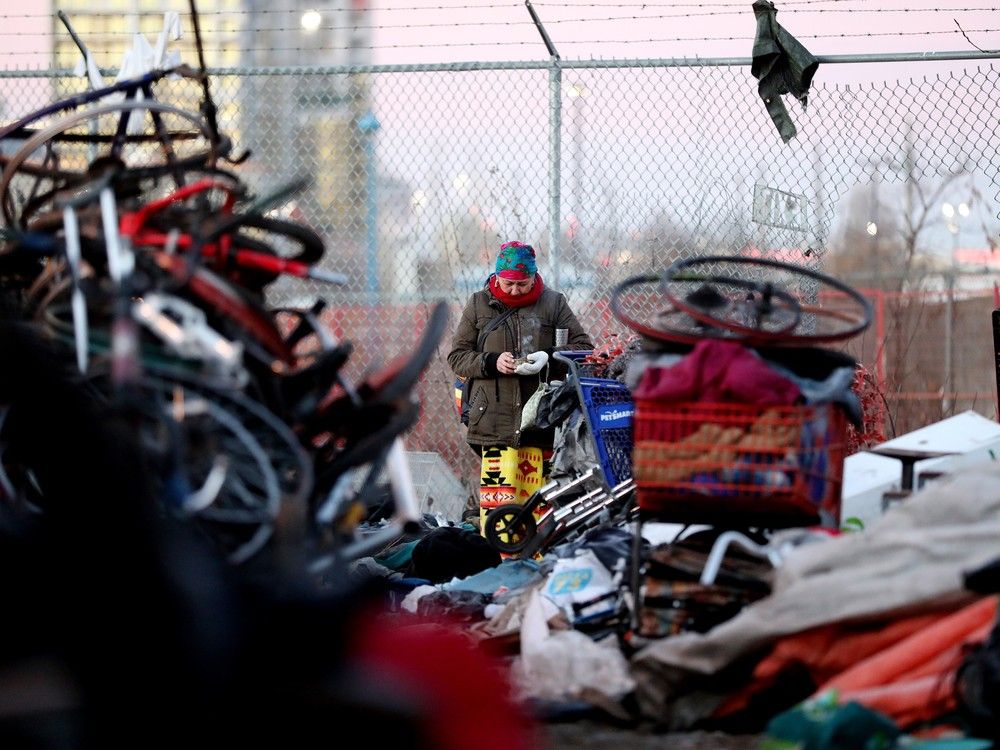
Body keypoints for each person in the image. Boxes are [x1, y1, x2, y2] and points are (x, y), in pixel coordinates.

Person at [447, 241, 593, 534]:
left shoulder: (554, 303)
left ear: (534, 276)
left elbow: (584, 348)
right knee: (498, 512)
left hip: (541, 421)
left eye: (522, 284)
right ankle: (502, 568)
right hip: (494, 422)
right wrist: (491, 362)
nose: (515, 291)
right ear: (496, 277)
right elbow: (458, 357)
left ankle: (537, 567)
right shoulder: (478, 304)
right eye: (508, 284)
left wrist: (549, 357)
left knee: (540, 507)